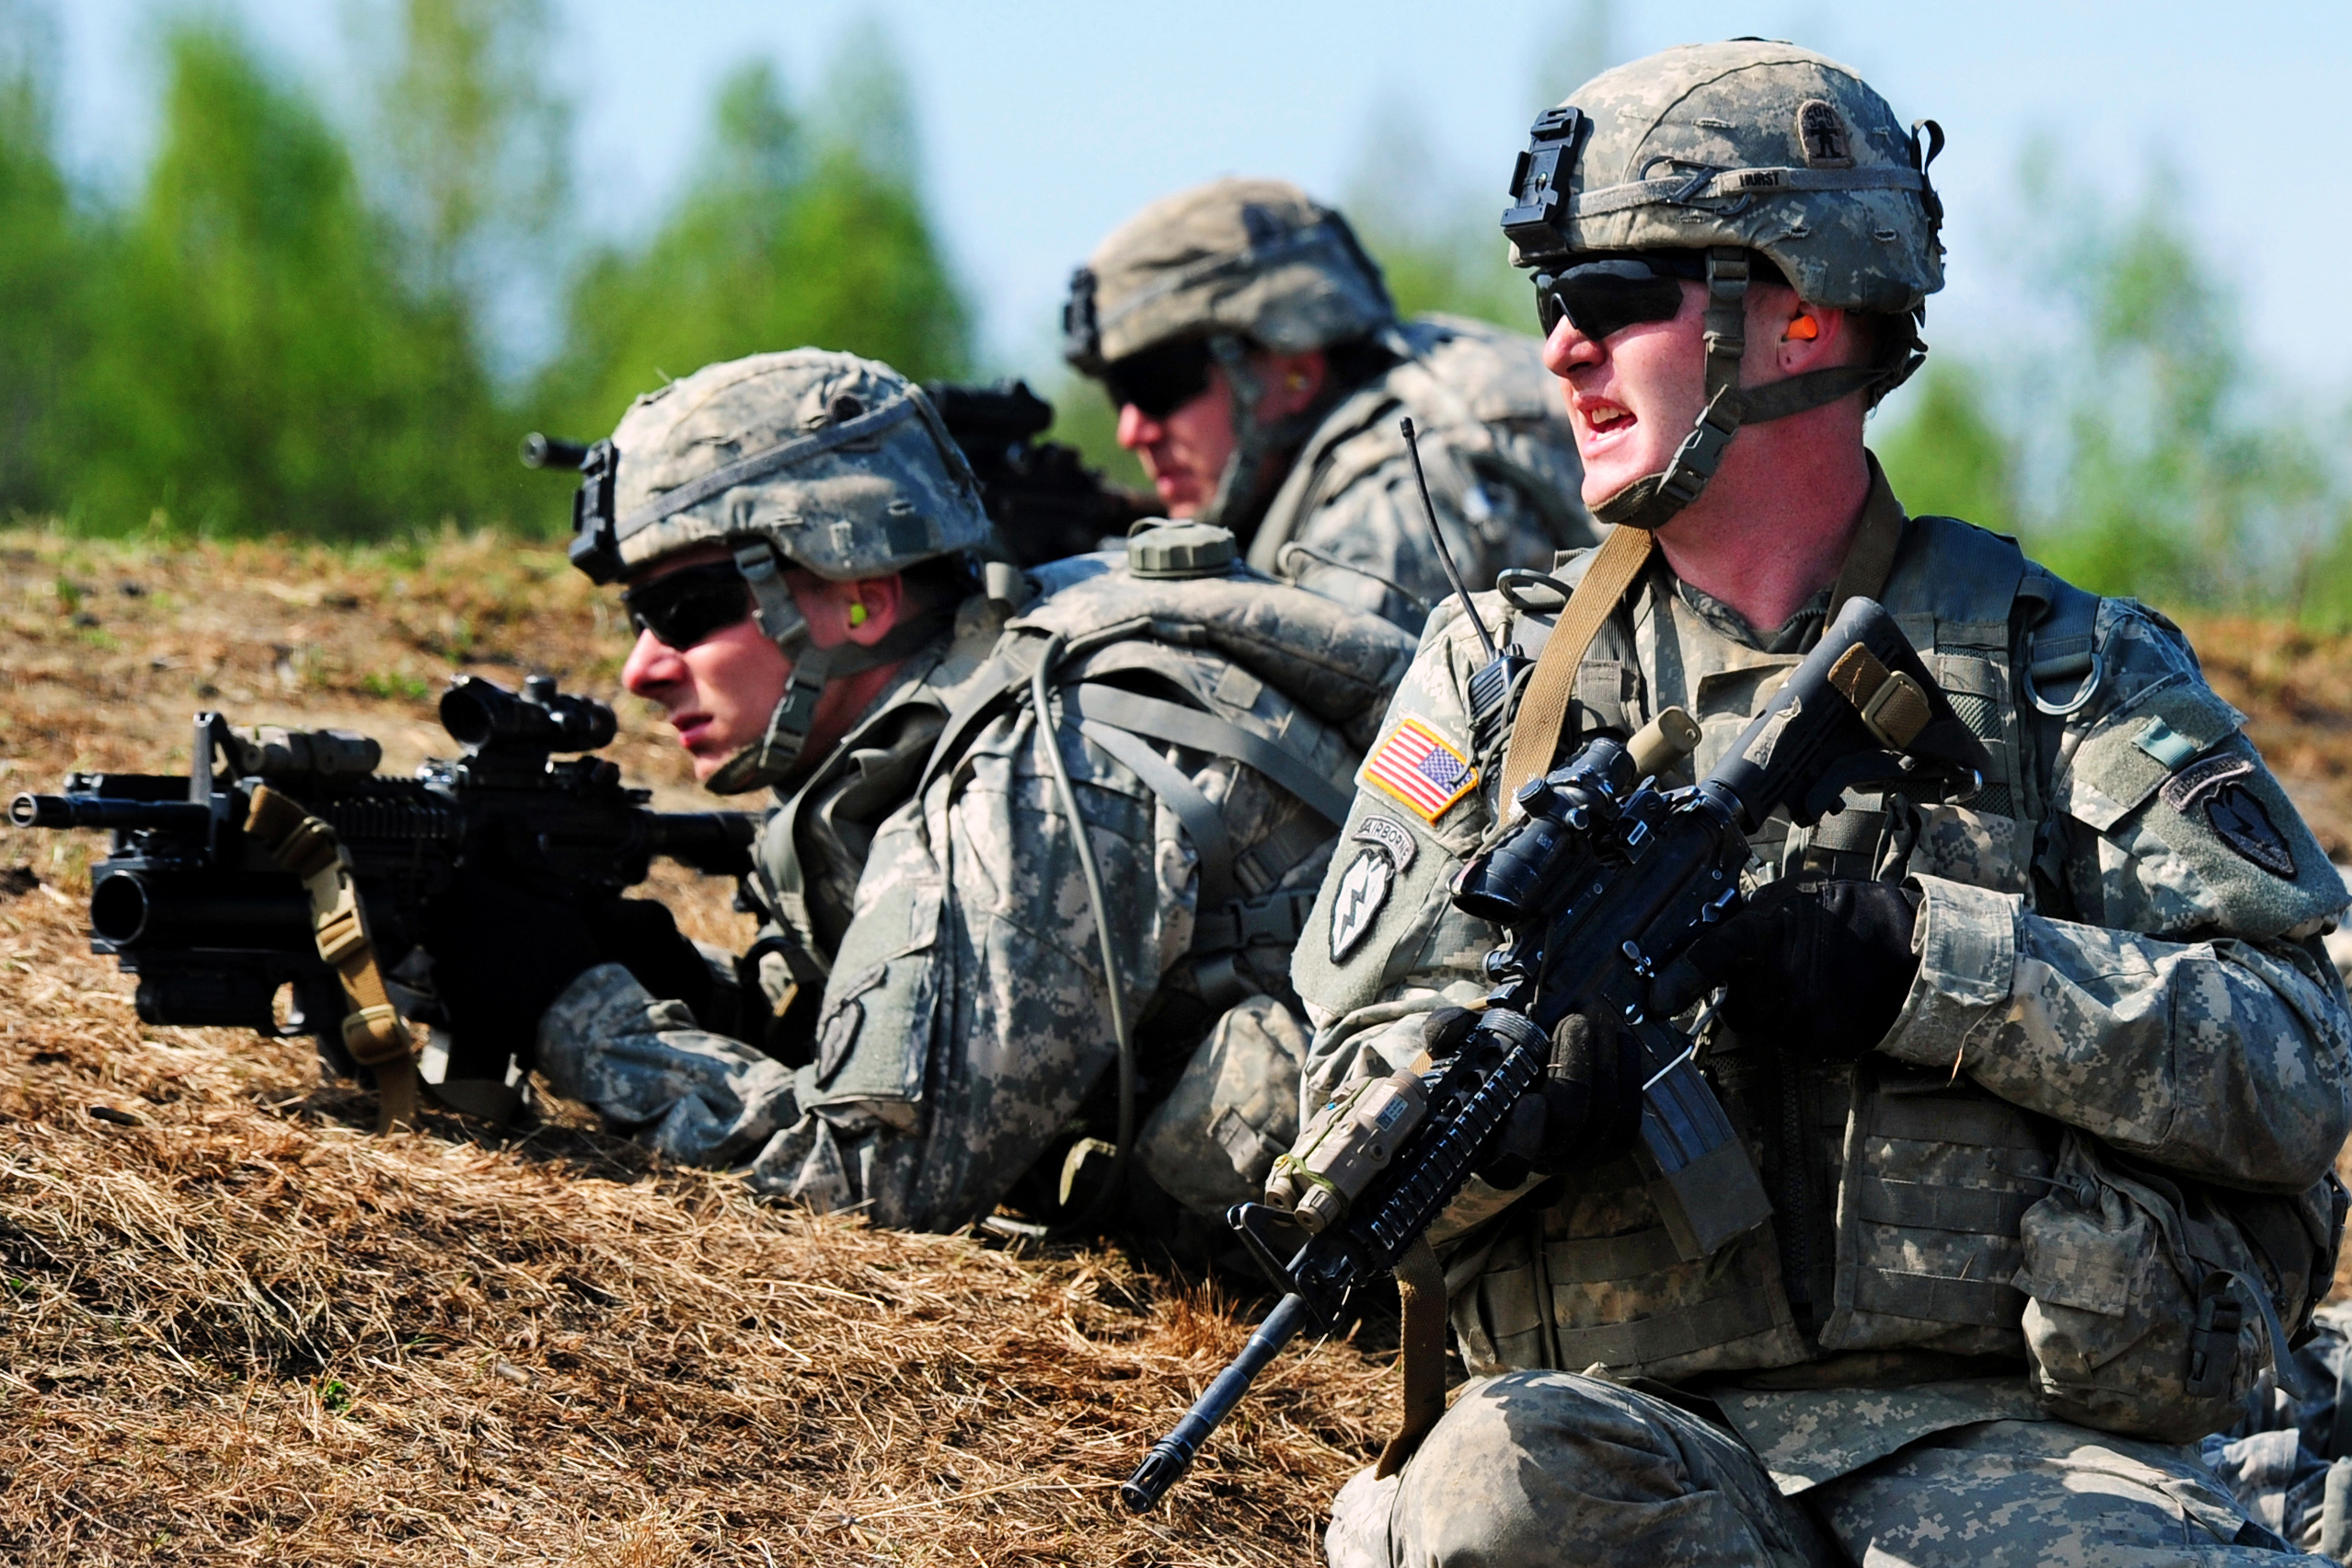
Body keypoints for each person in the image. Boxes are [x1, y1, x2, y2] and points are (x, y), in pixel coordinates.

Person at [1266, 40, 2352, 1567]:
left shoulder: (2065, 670)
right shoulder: (1492, 686)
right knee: (1487, 1494)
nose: (1562, 351)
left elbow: (2300, 1058)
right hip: (1630, 1437)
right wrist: (1503, 1103)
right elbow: (1329, 1113)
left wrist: (1932, 964)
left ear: (1797, 312)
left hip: (2008, 1441)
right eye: (1550, 305)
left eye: (1616, 296)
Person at [421, 348, 1417, 1238]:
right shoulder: (946, 719)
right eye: (640, 616)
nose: (644, 667)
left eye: (690, 609)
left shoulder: (1030, 771)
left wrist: (577, 1011)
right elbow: (882, 1054)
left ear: (861, 593)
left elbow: (868, 1185)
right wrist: (677, 992)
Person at [1064, 178, 1597, 632]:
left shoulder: (1391, 503)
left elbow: (1320, 737)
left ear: (1296, 369)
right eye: (1119, 395)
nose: (1132, 431)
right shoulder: (1434, 359)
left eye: (1158, 383)